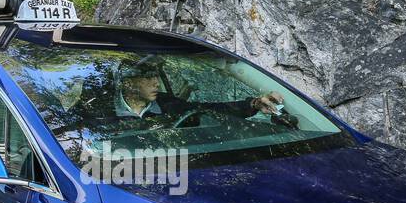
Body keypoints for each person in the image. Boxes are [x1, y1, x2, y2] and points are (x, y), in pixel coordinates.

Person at [84, 56, 285, 124]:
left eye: (157, 76)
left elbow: (211, 110)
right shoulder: (100, 110)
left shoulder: (168, 104)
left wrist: (253, 104)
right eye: (148, 77)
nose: (156, 83)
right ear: (128, 83)